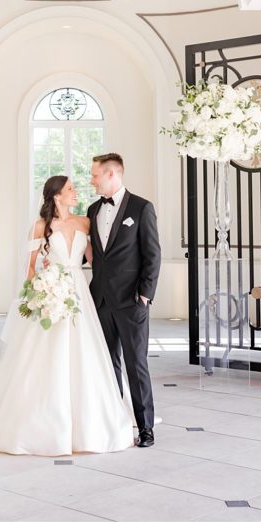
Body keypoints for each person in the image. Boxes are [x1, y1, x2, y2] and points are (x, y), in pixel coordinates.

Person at [0, 175, 134, 455]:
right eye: (70, 189)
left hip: (79, 292)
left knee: (85, 351)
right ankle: (40, 420)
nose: (75, 191)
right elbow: (30, 267)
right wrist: (37, 294)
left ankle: (89, 422)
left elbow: (95, 259)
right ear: (56, 195)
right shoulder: (41, 226)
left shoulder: (84, 222)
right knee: (46, 354)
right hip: (51, 290)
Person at [87, 153, 161, 448]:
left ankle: (145, 428)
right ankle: (115, 423)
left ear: (111, 174)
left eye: (95, 175)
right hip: (101, 300)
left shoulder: (142, 208)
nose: (91, 180)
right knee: (108, 365)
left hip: (132, 301)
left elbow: (152, 255)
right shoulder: (93, 209)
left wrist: (145, 295)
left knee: (136, 365)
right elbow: (93, 254)